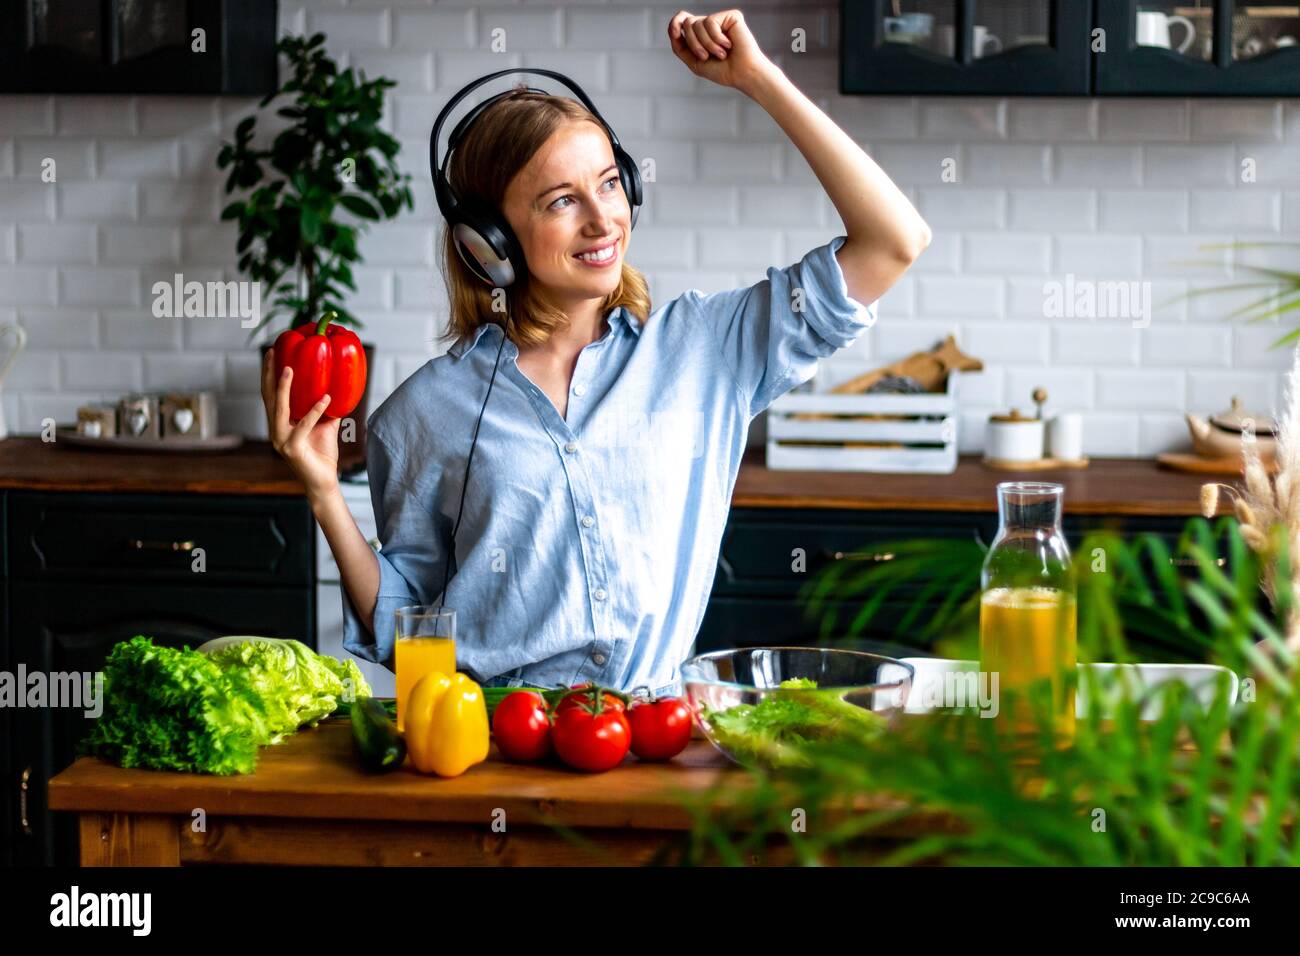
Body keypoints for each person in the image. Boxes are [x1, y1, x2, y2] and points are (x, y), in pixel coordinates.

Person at [261, 10, 932, 698]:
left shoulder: (704, 350)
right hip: (490, 746)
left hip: (651, 739)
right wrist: (320, 490)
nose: (602, 218)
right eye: (561, 201)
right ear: (485, 242)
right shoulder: (421, 413)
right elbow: (408, 629)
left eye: (611, 183)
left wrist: (758, 79)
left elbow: (893, 241)